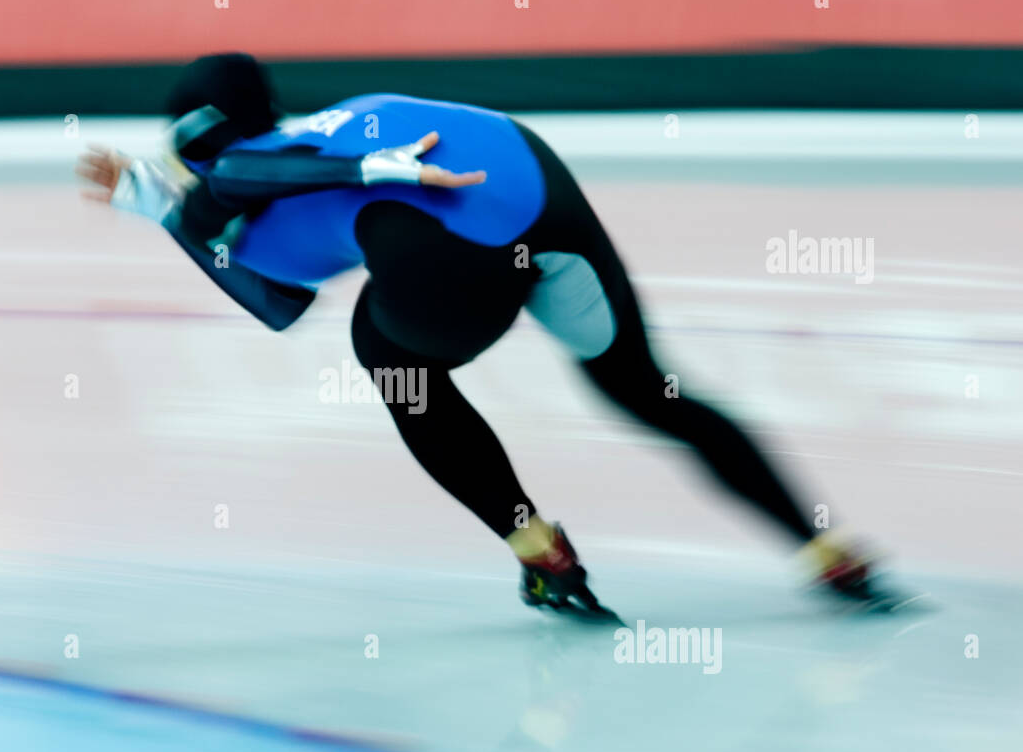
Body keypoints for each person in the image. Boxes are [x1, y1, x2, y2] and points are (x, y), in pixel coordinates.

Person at [76, 53, 892, 621]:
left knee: (388, 354)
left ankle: (539, 548)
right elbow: (254, 171)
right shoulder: (353, 114)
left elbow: (275, 301)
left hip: (455, 268)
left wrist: (161, 210)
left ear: (189, 148)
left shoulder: (250, 221)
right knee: (645, 389)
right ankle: (823, 545)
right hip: (541, 190)